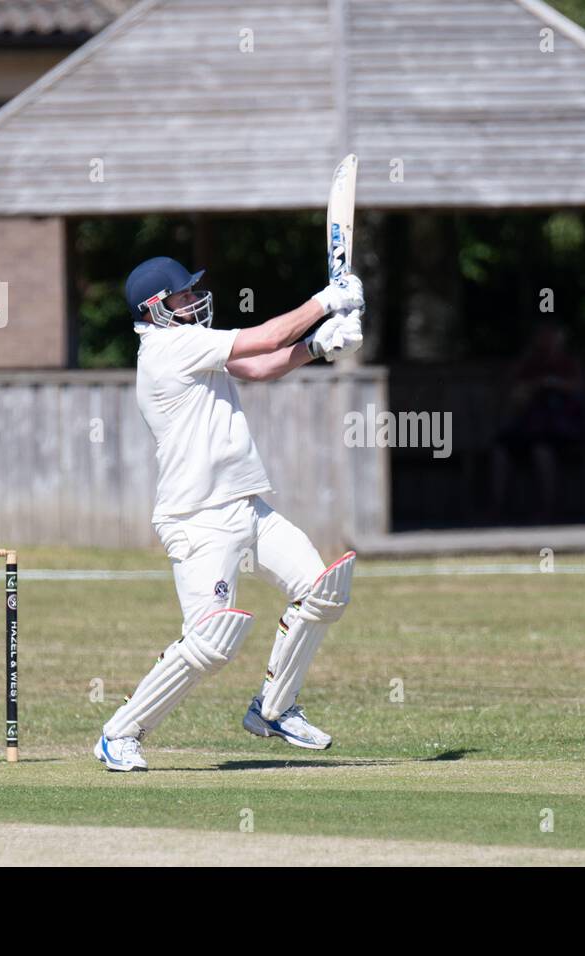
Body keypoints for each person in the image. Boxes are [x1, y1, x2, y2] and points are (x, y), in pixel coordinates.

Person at [94, 256, 364, 771]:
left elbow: (260, 365)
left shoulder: (193, 344)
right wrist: (326, 302)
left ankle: (275, 710)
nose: (194, 301)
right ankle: (120, 733)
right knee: (211, 642)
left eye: (194, 292)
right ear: (154, 309)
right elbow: (262, 338)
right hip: (197, 518)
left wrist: (316, 346)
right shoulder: (168, 347)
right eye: (181, 296)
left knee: (322, 588)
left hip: (247, 506)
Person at [490, 323, 585, 523]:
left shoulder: (568, 362)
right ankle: (497, 509)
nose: (546, 340)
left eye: (551, 335)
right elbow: (515, 394)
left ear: (560, 338)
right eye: (542, 336)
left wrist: (553, 383)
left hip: (561, 429)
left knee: (542, 451)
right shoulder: (531, 363)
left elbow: (579, 389)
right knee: (501, 449)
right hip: (531, 427)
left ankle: (548, 510)